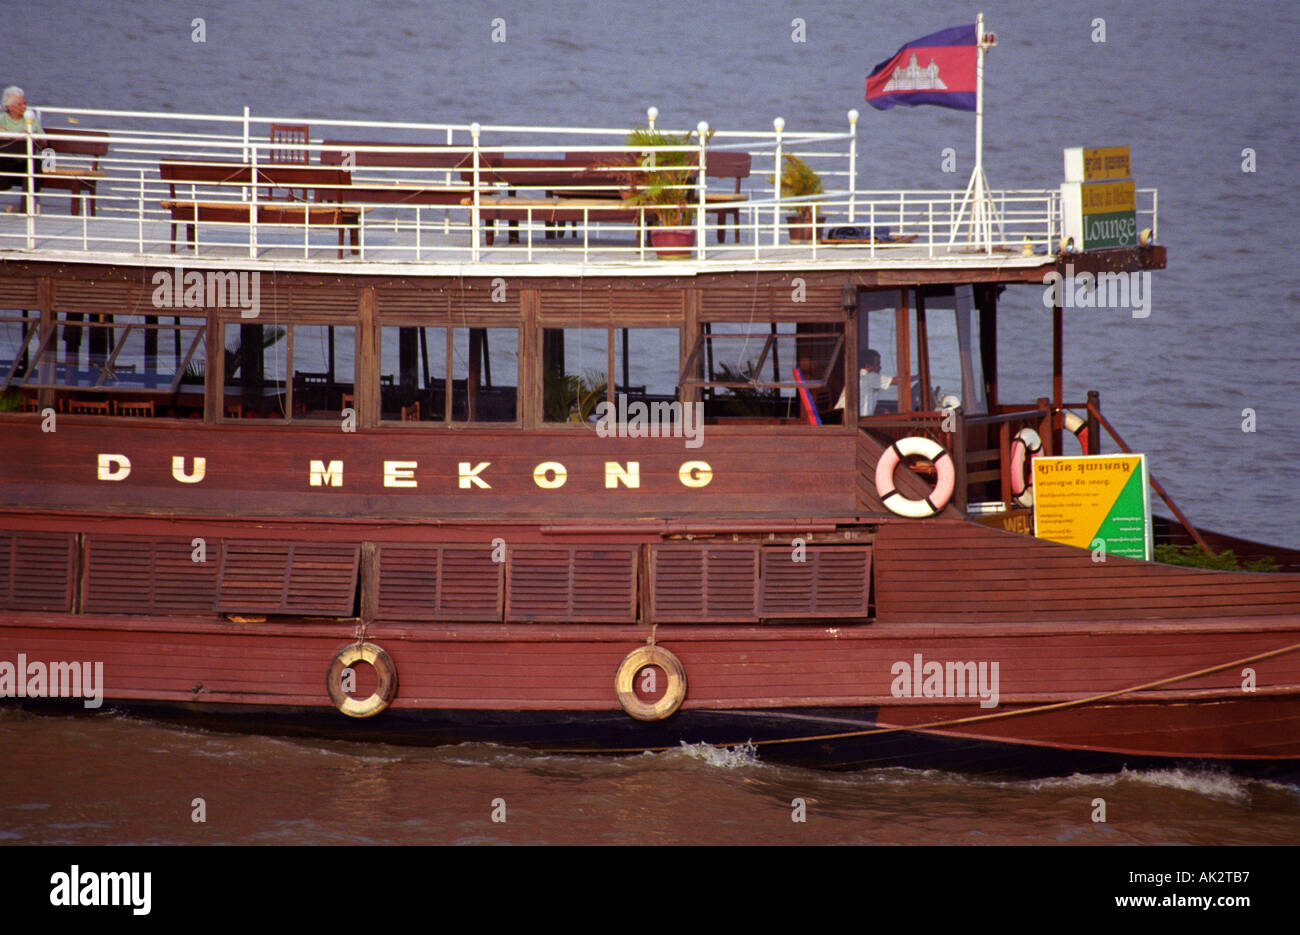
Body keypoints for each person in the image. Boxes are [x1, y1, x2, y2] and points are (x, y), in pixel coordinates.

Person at [0, 85, 45, 209]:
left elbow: (44, 143)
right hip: (6, 162)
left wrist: (31, 135)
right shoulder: (1, 119)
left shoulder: (31, 119)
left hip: (26, 162)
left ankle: (26, 209)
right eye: (20, 105)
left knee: (33, 166)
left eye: (24, 103)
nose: (24, 107)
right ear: (9, 107)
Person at [834, 348, 896, 417]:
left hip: (842, 418)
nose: (880, 367)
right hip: (852, 421)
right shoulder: (868, 376)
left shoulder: (858, 377)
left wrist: (878, 409)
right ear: (867, 366)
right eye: (877, 364)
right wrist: (909, 377)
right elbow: (896, 381)